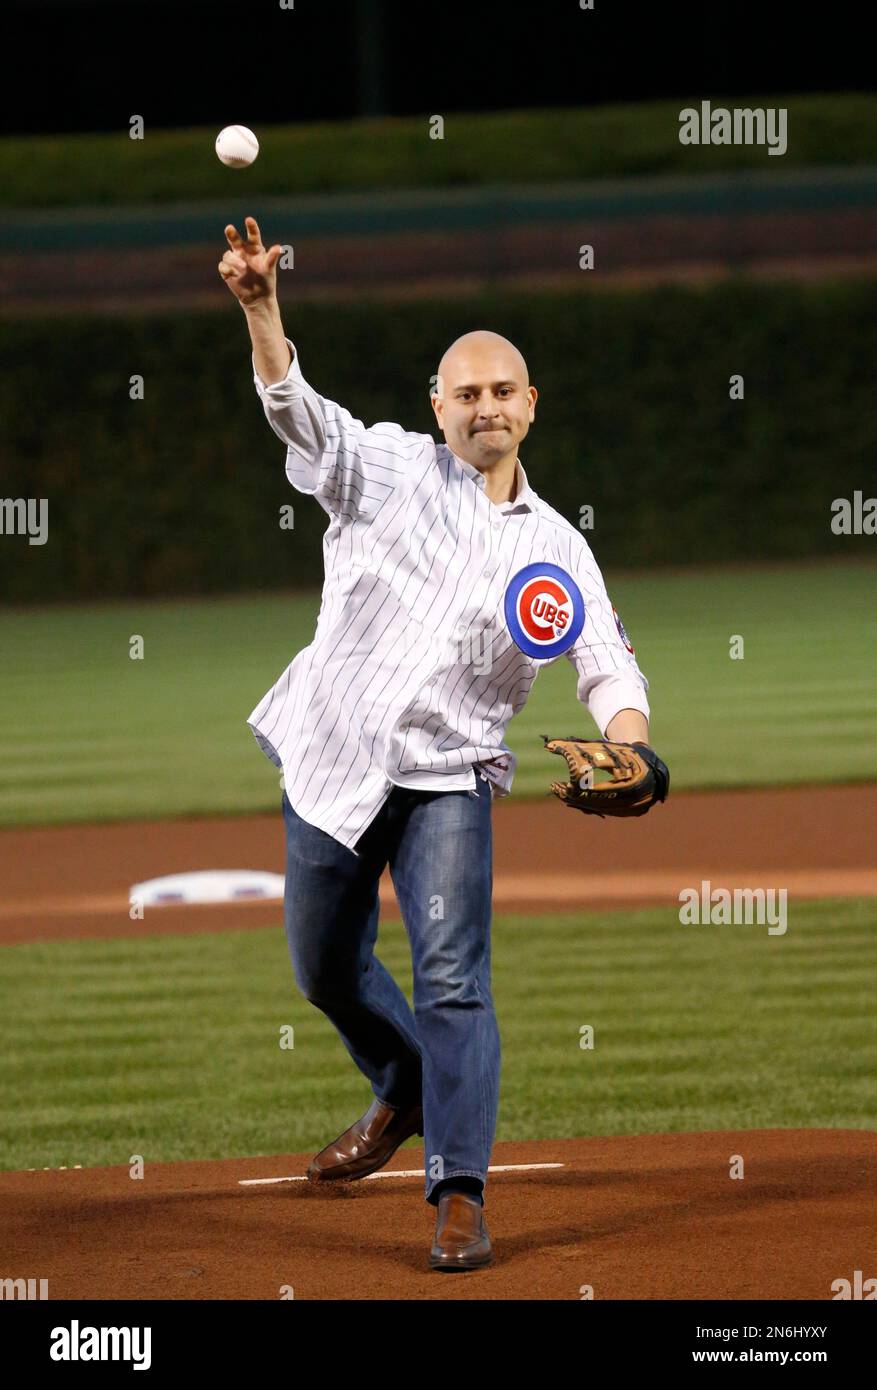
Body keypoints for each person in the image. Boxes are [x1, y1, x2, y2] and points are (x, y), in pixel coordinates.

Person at [219, 216, 654, 1272]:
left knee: (454, 977)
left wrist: (633, 748)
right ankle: (404, 1082)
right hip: (334, 763)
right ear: (437, 407)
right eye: (465, 393)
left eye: (502, 390)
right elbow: (293, 410)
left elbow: (606, 663)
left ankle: (457, 1189)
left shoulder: (555, 547)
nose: (485, 406)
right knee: (322, 968)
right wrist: (262, 310)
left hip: (449, 781)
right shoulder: (379, 467)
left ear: (530, 404)